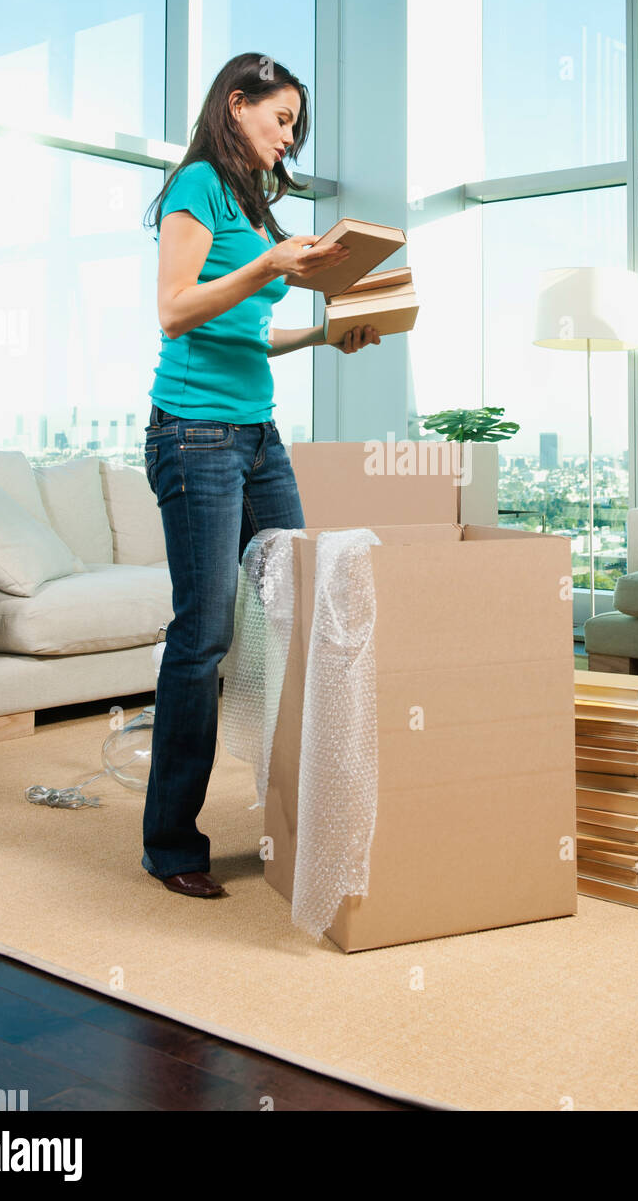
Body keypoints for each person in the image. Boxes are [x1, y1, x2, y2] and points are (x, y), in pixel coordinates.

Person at [140, 52, 381, 897]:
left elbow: (244, 333)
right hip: (194, 436)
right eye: (281, 122)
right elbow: (175, 310)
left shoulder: (246, 202)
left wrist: (322, 336)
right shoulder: (199, 185)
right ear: (236, 105)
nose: (287, 143)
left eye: (294, 131)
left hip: (254, 435)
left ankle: (296, 808)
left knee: (297, 603)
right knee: (203, 634)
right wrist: (271, 266)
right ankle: (170, 840)